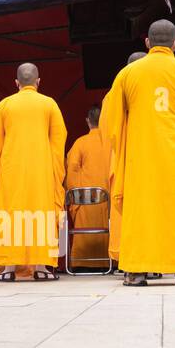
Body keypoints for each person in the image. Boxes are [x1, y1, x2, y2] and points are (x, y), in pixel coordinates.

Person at [102, 19, 175, 286]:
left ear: (148, 43)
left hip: (141, 160)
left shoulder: (128, 74)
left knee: (142, 215)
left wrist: (125, 151)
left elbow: (111, 124)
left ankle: (137, 272)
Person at [0, 62, 67, 280]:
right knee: (42, 214)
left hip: (10, 171)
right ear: (38, 82)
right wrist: (56, 172)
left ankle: (8, 270)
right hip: (42, 171)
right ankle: (41, 268)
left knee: (9, 215)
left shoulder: (4, 105)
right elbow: (58, 142)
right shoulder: (49, 104)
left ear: (16, 83)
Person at [100, 51, 147, 268]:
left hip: (120, 159)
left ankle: (127, 258)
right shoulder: (149, 91)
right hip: (147, 158)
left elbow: (106, 132)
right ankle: (147, 258)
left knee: (124, 210)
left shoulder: (111, 95)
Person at [65, 105, 111, 268]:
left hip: (85, 201)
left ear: (87, 121)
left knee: (83, 229)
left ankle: (81, 262)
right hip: (108, 201)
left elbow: (71, 169)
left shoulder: (80, 143)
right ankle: (112, 259)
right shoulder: (111, 143)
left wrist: (75, 200)